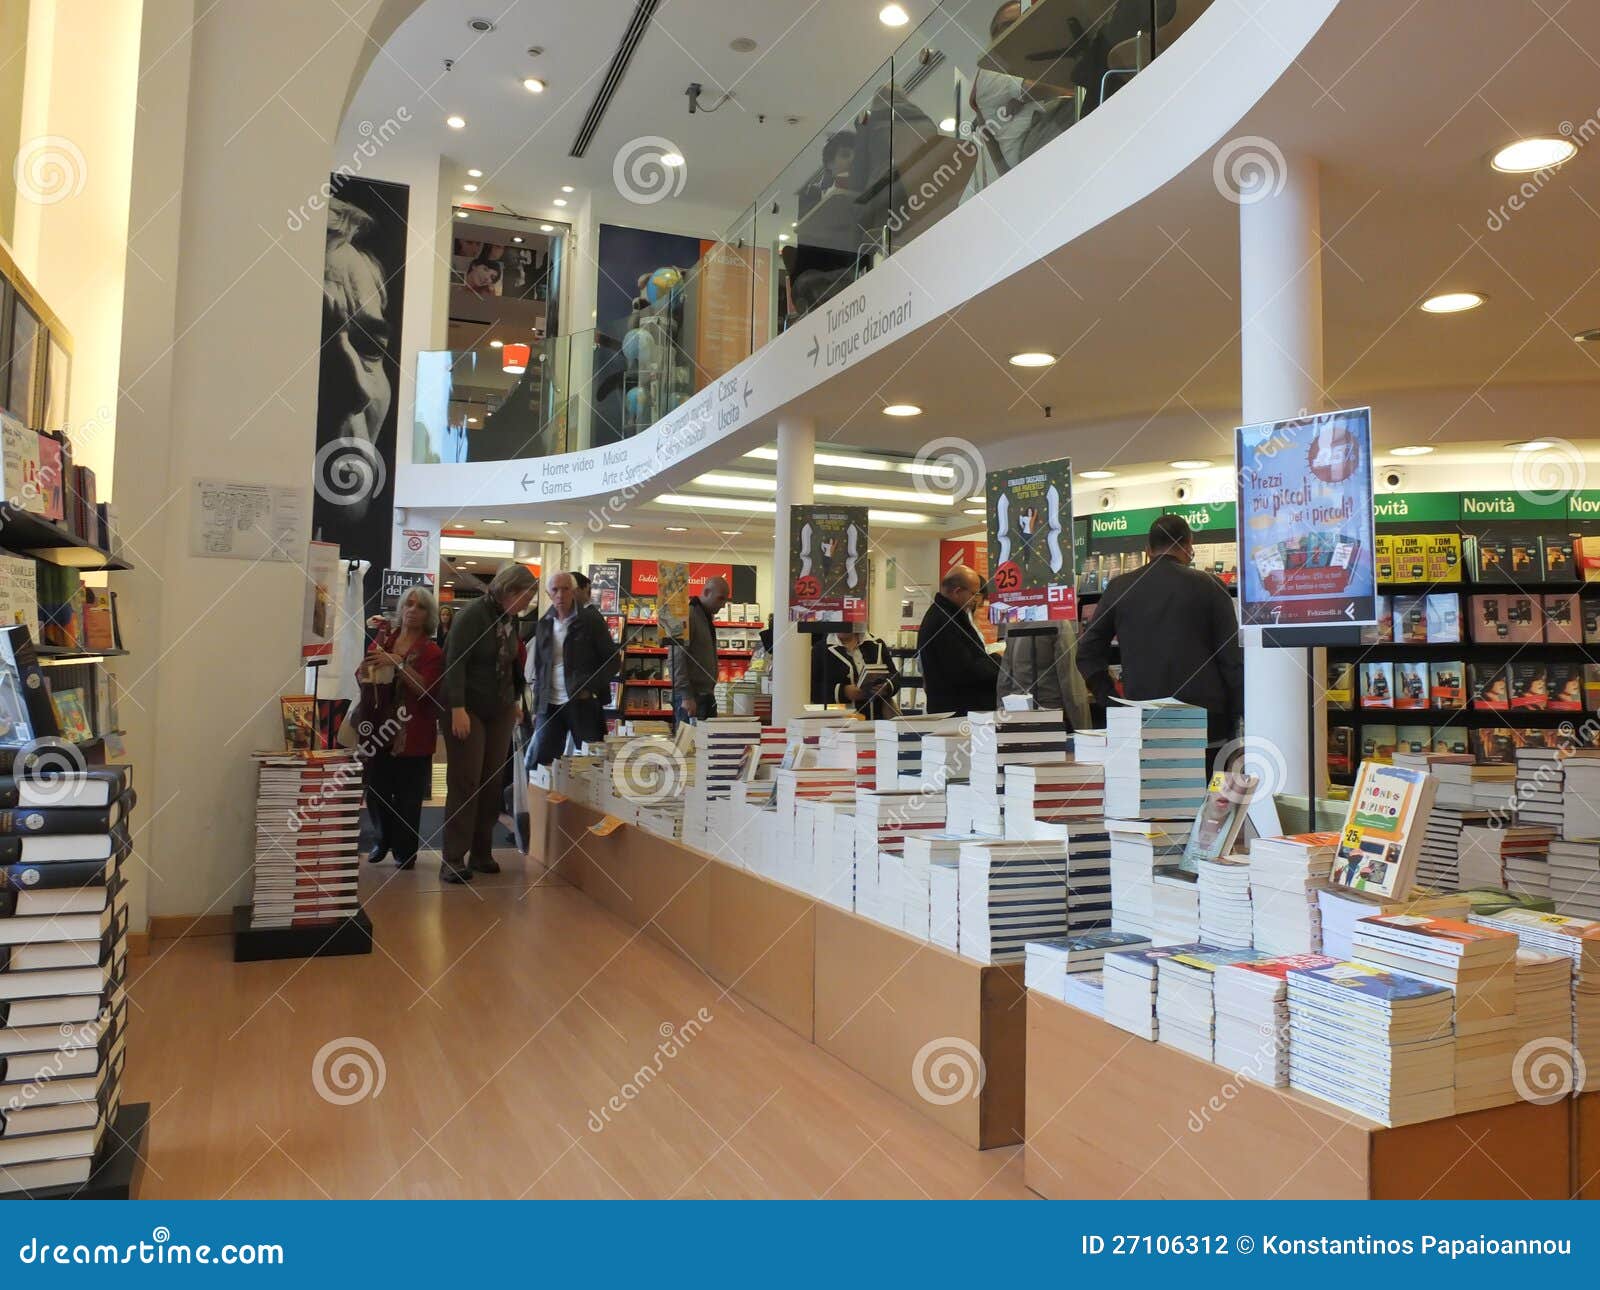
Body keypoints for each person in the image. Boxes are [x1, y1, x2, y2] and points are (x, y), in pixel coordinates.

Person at [1076, 514, 1244, 747]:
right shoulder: (1211, 585)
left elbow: (1087, 653)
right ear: (1189, 546)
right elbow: (1232, 661)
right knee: (1209, 772)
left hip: (1143, 718)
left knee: (1150, 771)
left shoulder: (1120, 587)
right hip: (1206, 721)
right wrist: (1237, 716)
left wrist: (1112, 701)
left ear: (1148, 550)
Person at [440, 564, 538, 884]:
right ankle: (453, 858)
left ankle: (481, 853)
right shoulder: (472, 616)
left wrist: (515, 702)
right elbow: (454, 662)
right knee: (465, 781)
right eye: (526, 596)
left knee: (491, 783)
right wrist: (457, 707)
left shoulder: (509, 617)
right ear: (510, 590)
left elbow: (510, 663)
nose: (528, 603)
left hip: (500, 708)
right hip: (467, 707)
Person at [359, 587, 445, 870]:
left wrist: (398, 663)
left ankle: (405, 850)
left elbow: (426, 689)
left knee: (409, 796)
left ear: (429, 615)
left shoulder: (432, 651)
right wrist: (368, 671)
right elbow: (365, 671)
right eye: (408, 604)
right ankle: (382, 839)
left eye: (420, 606)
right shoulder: (386, 639)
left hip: (414, 731)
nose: (412, 610)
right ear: (401, 609)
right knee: (376, 789)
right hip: (379, 728)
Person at [528, 571, 620, 768]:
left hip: (582, 702)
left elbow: (612, 661)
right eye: (555, 590)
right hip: (549, 705)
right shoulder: (544, 623)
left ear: (574, 592)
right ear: (549, 594)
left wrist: (589, 687)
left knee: (593, 762)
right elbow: (540, 667)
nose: (560, 594)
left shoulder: (590, 621)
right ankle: (544, 790)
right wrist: (537, 707)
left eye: (565, 589)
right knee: (541, 764)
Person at [916, 565, 1002, 715]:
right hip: (958, 714)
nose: (975, 600)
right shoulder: (945, 622)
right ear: (957, 592)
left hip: (959, 710)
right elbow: (967, 670)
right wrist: (998, 659)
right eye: (974, 594)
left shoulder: (948, 616)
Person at [999, 619, 1091, 730]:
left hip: (1016, 714)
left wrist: (1001, 717)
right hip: (1051, 715)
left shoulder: (1013, 624)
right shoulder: (1059, 623)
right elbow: (1071, 684)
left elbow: (1004, 680)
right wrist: (1084, 729)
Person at [671, 574, 729, 724]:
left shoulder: (705, 617)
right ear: (707, 592)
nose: (723, 605)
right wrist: (686, 696)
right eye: (721, 598)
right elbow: (676, 657)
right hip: (692, 698)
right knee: (691, 739)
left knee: (706, 738)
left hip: (705, 695)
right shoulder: (687, 615)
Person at [815, 627, 899, 718]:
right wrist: (843, 692)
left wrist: (885, 687)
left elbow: (895, 676)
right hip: (840, 720)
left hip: (875, 719)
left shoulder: (877, 643)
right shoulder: (820, 649)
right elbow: (812, 689)